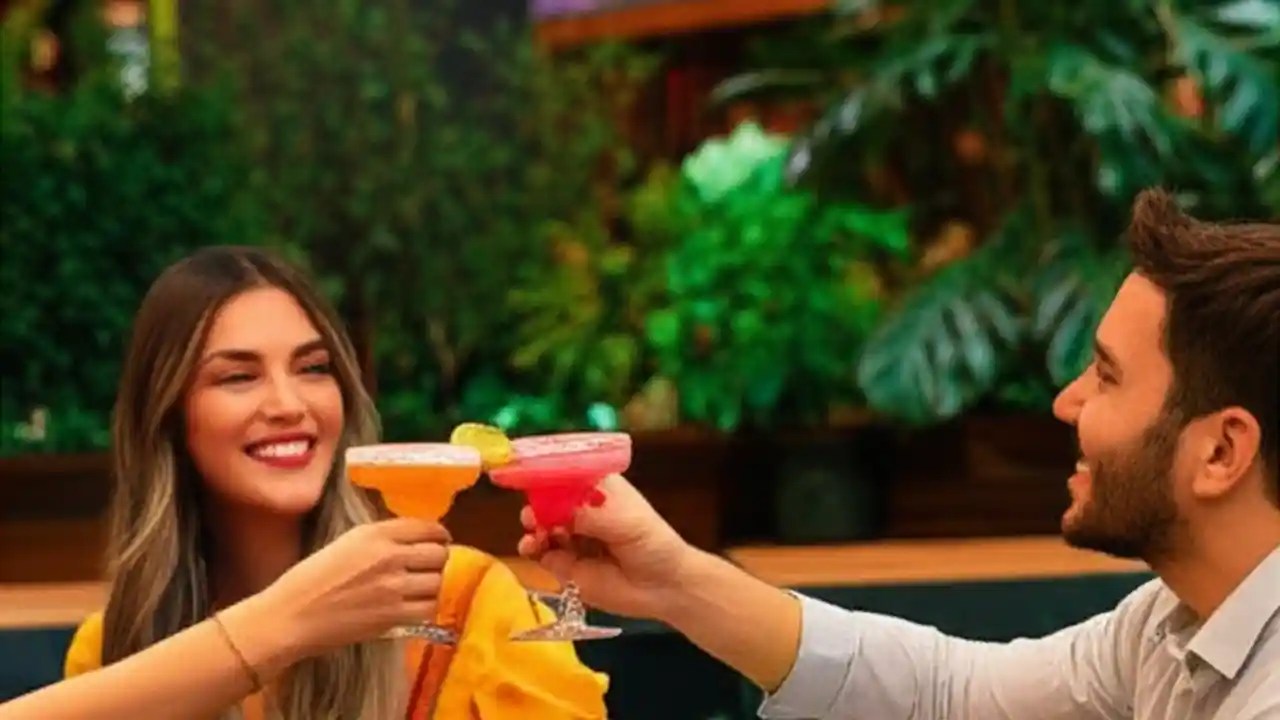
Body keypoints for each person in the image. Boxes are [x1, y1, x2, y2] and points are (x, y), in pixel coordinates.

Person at [519, 189, 1280, 720]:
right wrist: (674, 581)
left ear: (1221, 450)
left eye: (1107, 375)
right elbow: (953, 694)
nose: (1067, 402)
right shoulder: (1170, 624)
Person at [4, 246, 607, 719]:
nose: (290, 404)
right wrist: (285, 623)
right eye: (238, 377)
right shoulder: (114, 646)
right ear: (168, 417)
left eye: (314, 369)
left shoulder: (473, 605)